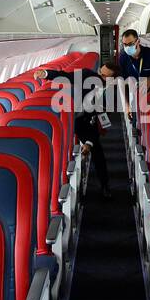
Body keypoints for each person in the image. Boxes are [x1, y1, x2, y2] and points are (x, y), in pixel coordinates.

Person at [33, 60, 117, 197]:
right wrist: (46, 73)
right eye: (99, 72)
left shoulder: (110, 93)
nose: (99, 76)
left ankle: (104, 185)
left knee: (97, 150)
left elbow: (97, 118)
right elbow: (65, 76)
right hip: (70, 117)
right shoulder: (86, 75)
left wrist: (89, 142)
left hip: (85, 121)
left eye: (103, 76)